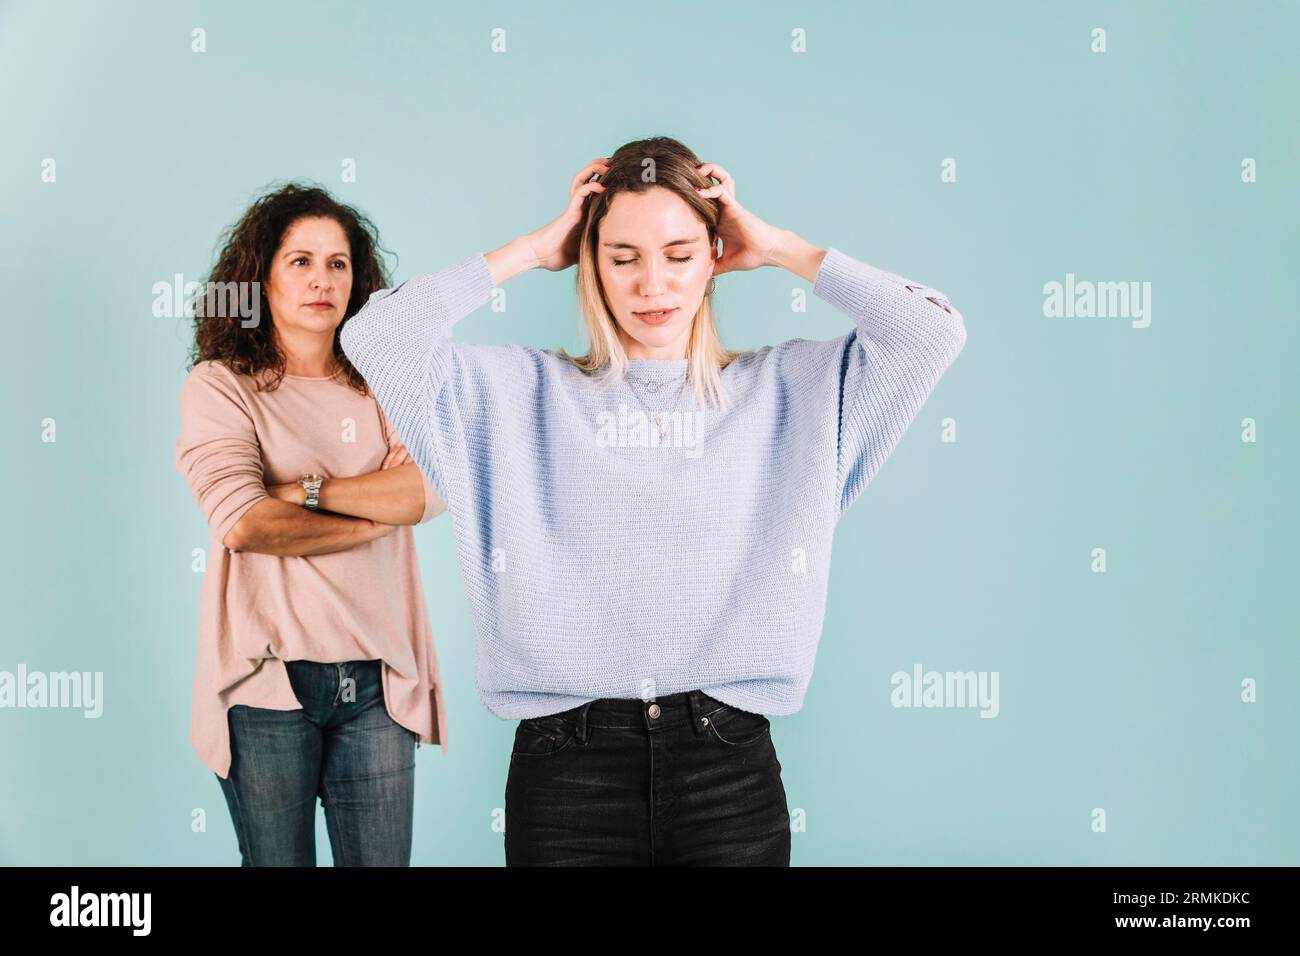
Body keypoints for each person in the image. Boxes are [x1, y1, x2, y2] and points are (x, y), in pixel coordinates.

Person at [340, 137, 968, 865]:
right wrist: (531, 249)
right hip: (565, 776)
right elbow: (377, 335)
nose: (652, 284)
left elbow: (930, 331)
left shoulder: (792, 392)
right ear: (590, 264)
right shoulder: (510, 397)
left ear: (714, 255)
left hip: (727, 772)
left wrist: (779, 245)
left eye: (678, 253)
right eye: (622, 256)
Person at [174, 183, 448, 866]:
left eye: (338, 263)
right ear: (259, 278)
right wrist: (372, 516)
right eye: (300, 261)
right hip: (267, 680)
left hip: (378, 680)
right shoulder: (221, 386)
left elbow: (433, 487)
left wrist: (312, 492)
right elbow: (246, 520)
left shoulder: (384, 382)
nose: (321, 279)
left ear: (358, 282)